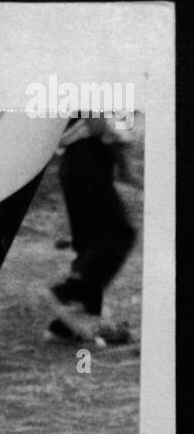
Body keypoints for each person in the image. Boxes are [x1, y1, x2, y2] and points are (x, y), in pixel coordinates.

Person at [46, 112, 137, 347]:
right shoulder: (100, 87)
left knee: (91, 243)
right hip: (89, 157)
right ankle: (68, 293)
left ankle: (66, 328)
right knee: (118, 234)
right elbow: (99, 122)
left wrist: (123, 166)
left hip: (79, 160)